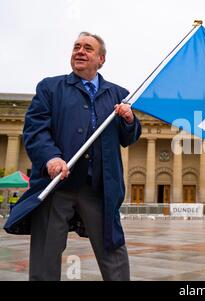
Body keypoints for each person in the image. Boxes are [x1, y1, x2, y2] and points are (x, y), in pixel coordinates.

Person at [23, 32, 141, 280]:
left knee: (114, 256)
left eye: (88, 48)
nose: (80, 51)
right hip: (57, 186)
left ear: (101, 59)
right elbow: (35, 130)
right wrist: (51, 158)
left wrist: (130, 120)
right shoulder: (51, 88)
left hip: (99, 189)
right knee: (45, 256)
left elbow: (128, 137)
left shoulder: (118, 94)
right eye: (76, 47)